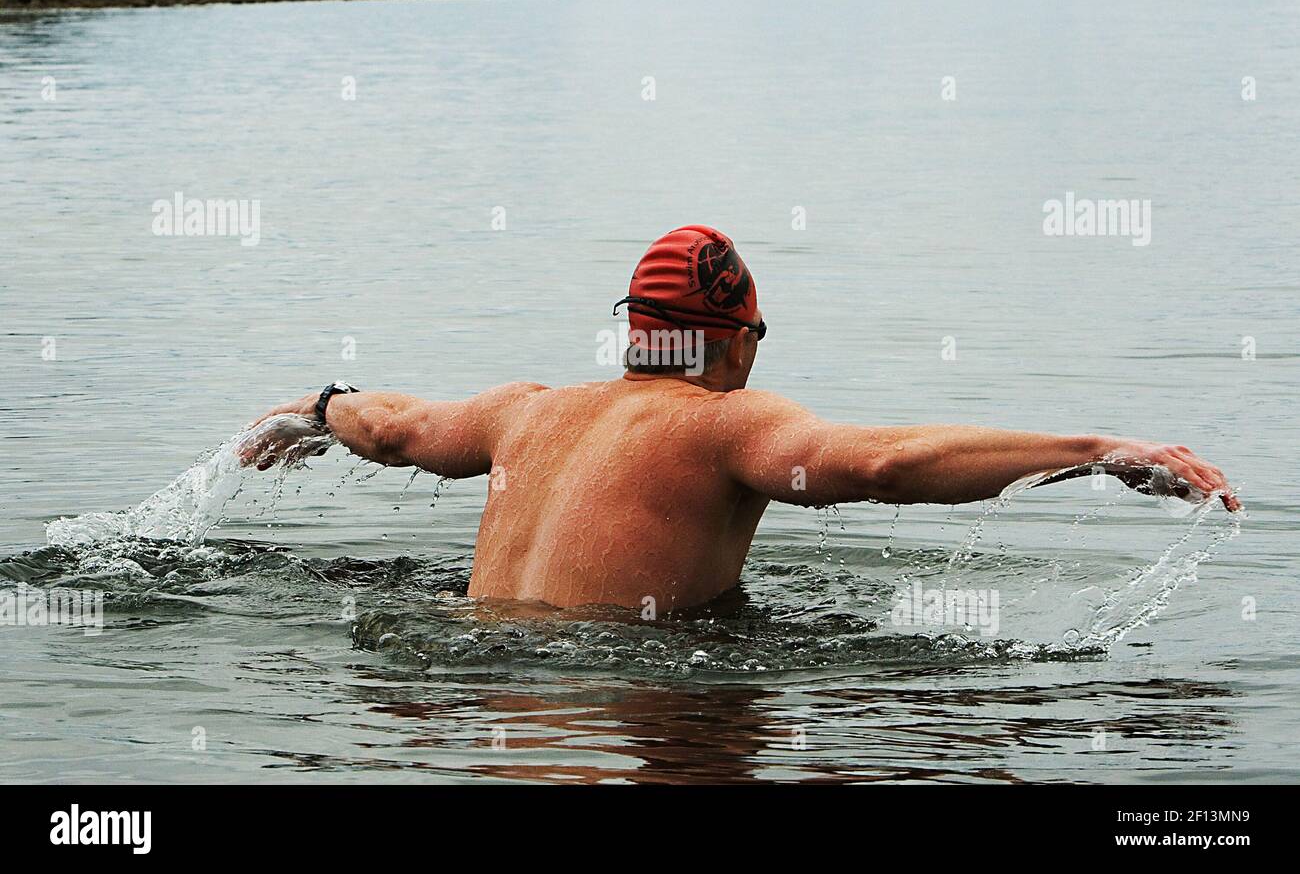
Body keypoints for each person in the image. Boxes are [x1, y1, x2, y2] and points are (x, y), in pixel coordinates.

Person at [243, 225, 1239, 612]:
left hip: (483, 694)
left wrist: (316, 406)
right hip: (627, 709)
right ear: (738, 338)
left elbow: (398, 429)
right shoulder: (726, 426)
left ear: (634, 333)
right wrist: (1099, 451)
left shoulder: (522, 411)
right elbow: (886, 463)